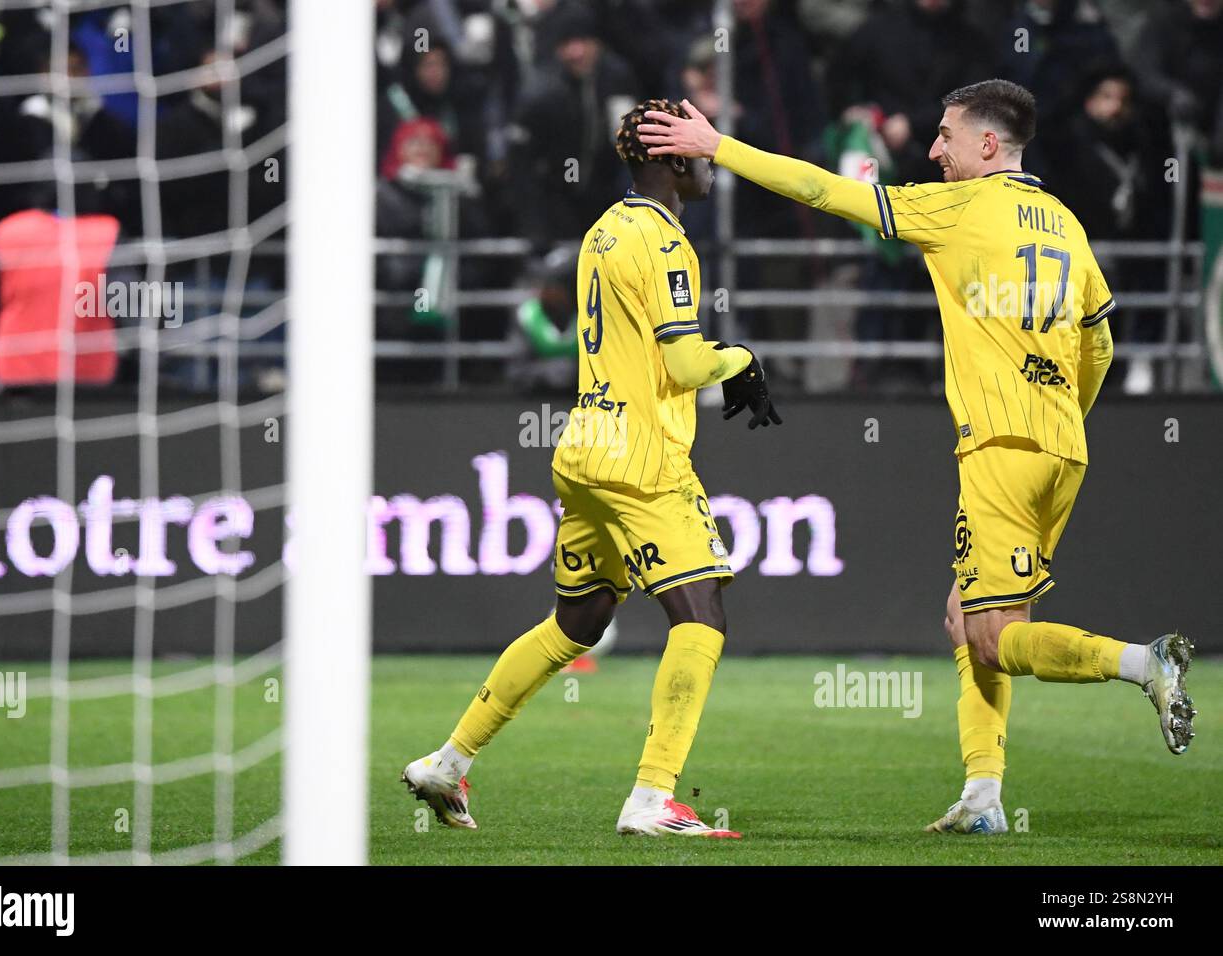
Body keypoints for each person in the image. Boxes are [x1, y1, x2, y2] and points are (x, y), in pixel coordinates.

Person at [637, 79, 1197, 836]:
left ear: (988, 146)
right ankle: (984, 797)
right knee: (968, 617)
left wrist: (718, 148)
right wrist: (1063, 413)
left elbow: (825, 190)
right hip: (1064, 444)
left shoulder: (958, 207)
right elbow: (1098, 340)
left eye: (946, 136)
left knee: (994, 636)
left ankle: (1144, 663)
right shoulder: (1065, 224)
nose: (933, 150)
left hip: (999, 447)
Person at [402, 98, 780, 838]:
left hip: (583, 448)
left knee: (574, 623)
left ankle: (447, 764)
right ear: (673, 160)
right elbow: (684, 360)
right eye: (699, 153)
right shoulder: (667, 242)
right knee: (702, 617)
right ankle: (652, 797)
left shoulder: (603, 228)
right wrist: (744, 359)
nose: (709, 164)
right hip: (642, 457)